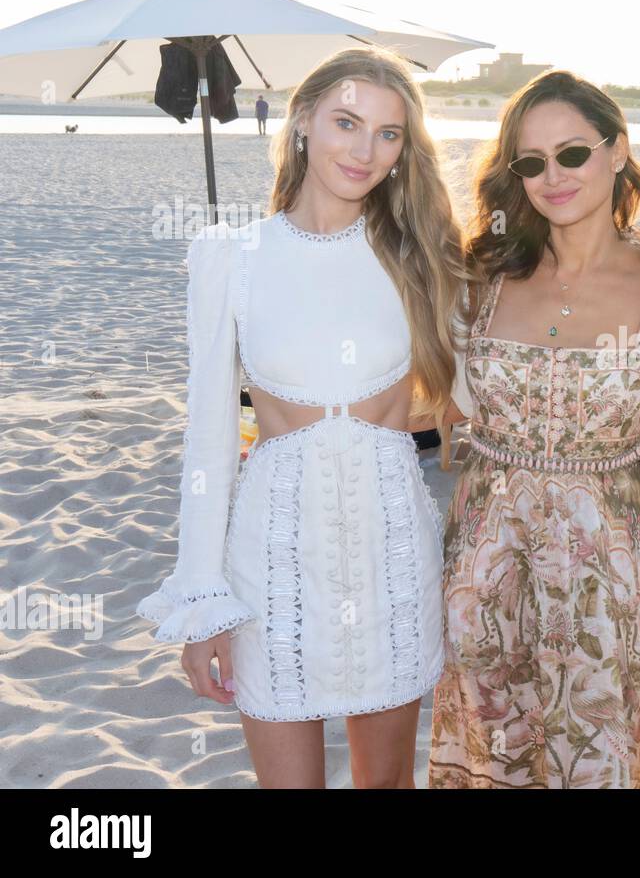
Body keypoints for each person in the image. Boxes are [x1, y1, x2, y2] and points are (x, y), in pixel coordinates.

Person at [136, 47, 473, 788]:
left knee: (383, 785)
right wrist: (203, 601)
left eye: (388, 133)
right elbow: (209, 445)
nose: (365, 150)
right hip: (270, 563)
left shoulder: (423, 258)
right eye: (346, 123)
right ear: (301, 125)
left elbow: (474, 399)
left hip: (392, 555)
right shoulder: (233, 258)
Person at [427, 69, 640, 788]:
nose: (553, 176)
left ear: (617, 151)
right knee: (495, 751)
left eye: (573, 153)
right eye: (531, 162)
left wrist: (628, 453)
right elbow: (440, 411)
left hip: (609, 575)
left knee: (601, 751)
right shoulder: (481, 271)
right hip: (486, 566)